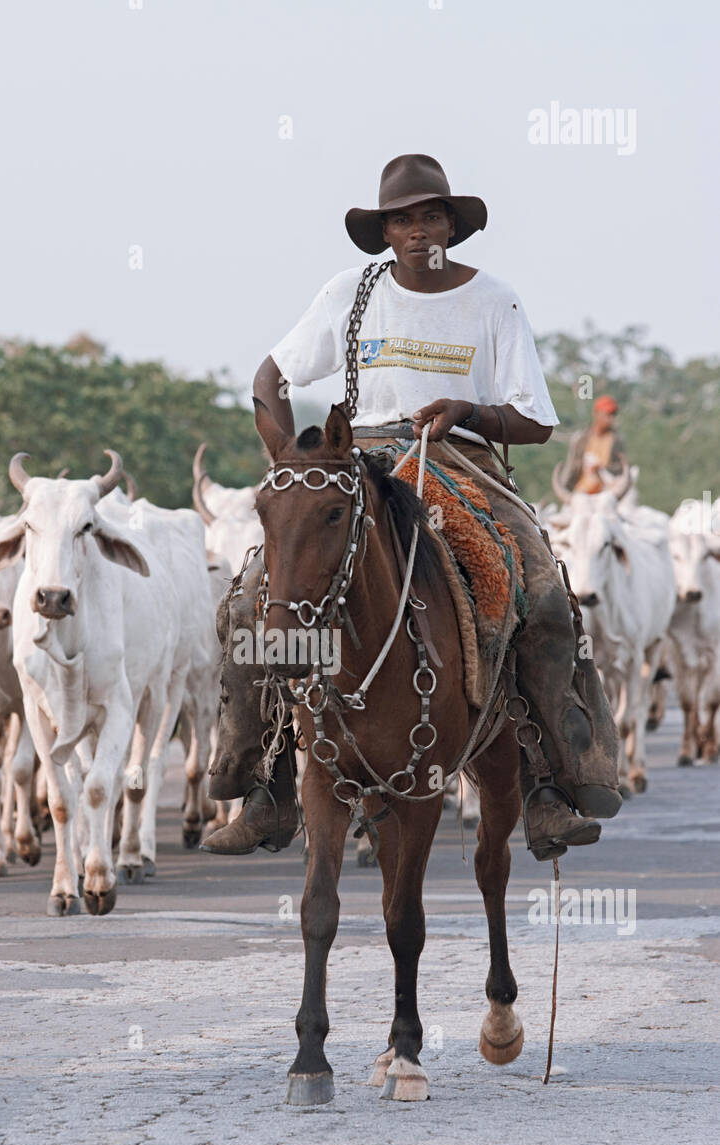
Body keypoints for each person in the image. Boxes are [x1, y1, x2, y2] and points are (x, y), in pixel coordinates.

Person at [202, 153, 622, 861]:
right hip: (359, 460)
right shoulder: (350, 292)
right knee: (250, 601)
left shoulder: (495, 300)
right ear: (385, 231)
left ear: (452, 226)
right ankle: (263, 778)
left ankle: (553, 780)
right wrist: (281, 447)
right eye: (403, 218)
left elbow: (536, 421)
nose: (418, 228)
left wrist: (466, 409)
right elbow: (271, 373)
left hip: (460, 461)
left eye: (432, 215)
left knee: (542, 593)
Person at [560, 395, 629, 494]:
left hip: (606, 493)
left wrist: (601, 469)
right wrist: (564, 488)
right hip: (581, 491)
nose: (611, 418)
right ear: (596, 414)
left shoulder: (617, 440)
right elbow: (571, 466)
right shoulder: (580, 438)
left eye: (613, 415)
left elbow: (621, 468)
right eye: (608, 414)